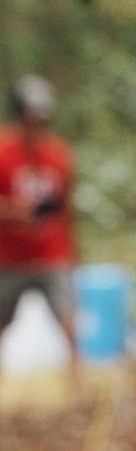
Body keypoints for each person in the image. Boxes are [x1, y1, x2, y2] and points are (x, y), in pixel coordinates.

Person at [0, 75, 82, 392]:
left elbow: (67, 210)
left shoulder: (58, 154)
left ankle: (79, 390)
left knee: (70, 324)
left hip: (51, 254)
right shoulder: (3, 152)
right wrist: (16, 211)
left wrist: (74, 252)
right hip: (8, 257)